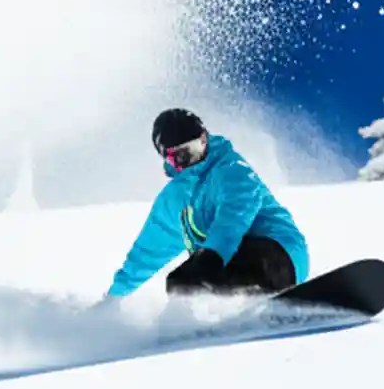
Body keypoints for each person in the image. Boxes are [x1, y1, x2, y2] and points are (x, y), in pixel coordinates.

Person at [104, 108, 309, 300]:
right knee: (178, 283)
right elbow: (147, 253)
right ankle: (201, 320)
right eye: (181, 156)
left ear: (205, 139)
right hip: (223, 261)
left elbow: (234, 215)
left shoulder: (231, 169)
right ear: (168, 159)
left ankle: (257, 297)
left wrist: (212, 255)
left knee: (213, 268)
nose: (194, 158)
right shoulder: (174, 199)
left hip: (280, 254)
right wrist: (114, 298)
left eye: (198, 146)